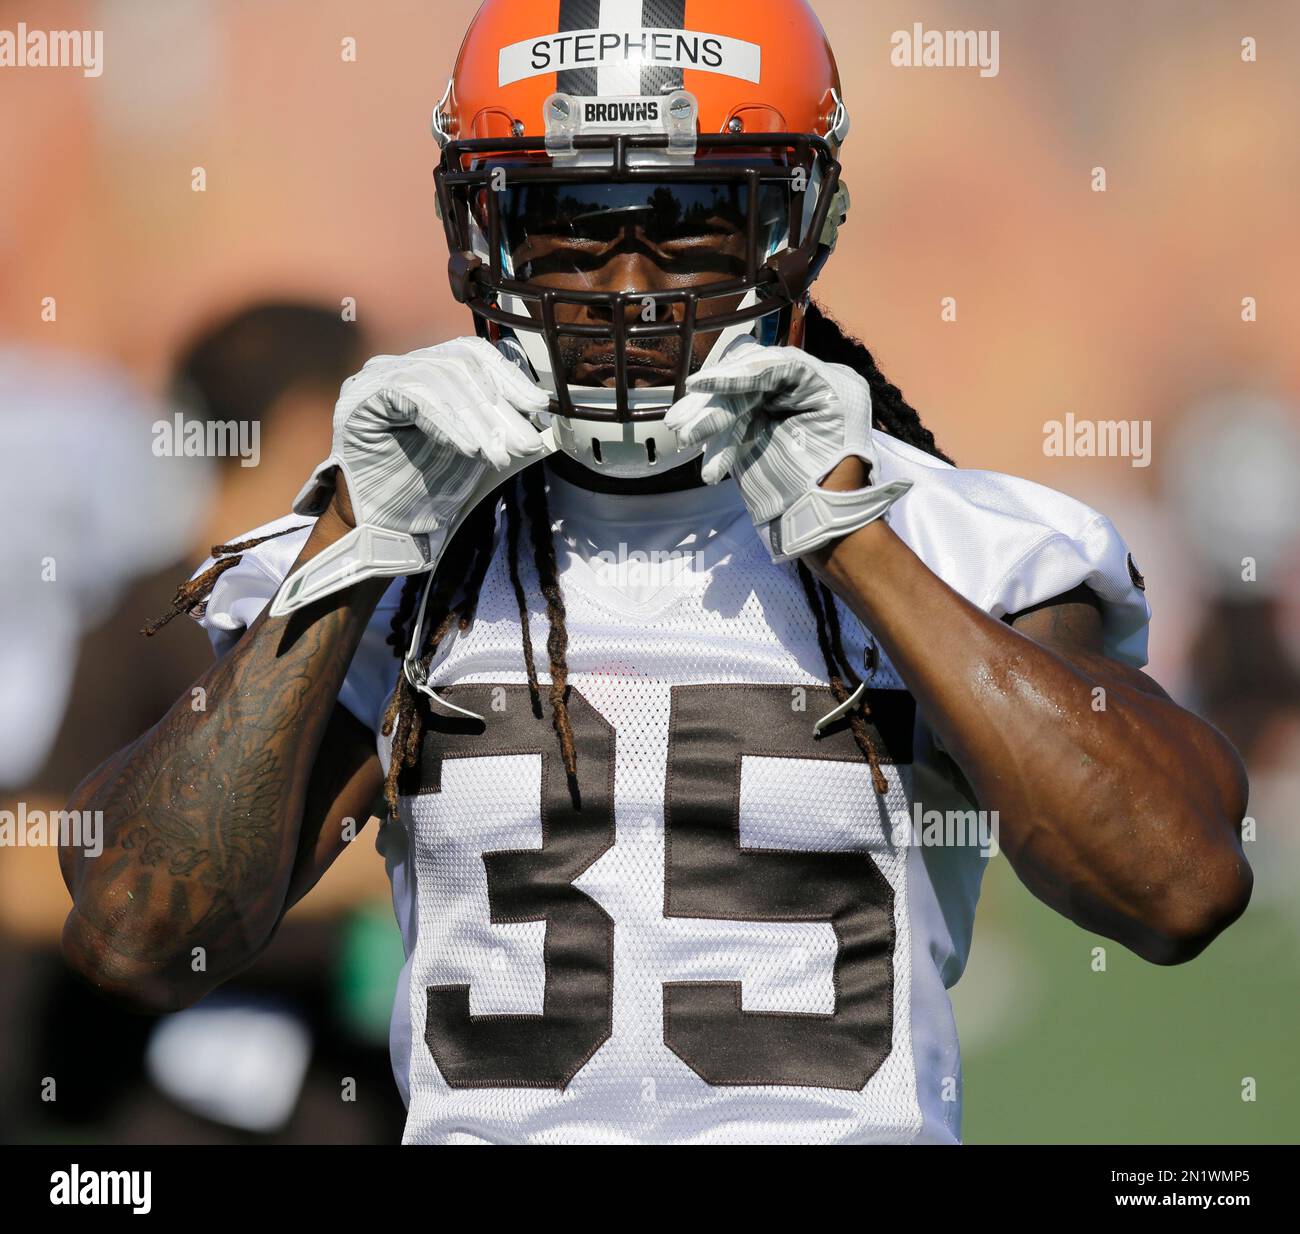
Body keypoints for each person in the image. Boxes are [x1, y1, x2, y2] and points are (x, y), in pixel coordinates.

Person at [59, 0, 1251, 1145]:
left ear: (797, 224)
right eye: (570, 215)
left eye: (687, 211)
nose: (628, 286)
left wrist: (857, 548)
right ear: (482, 228)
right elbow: (142, 933)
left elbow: (1176, 885)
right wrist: (351, 548)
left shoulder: (954, 540)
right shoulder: (407, 556)